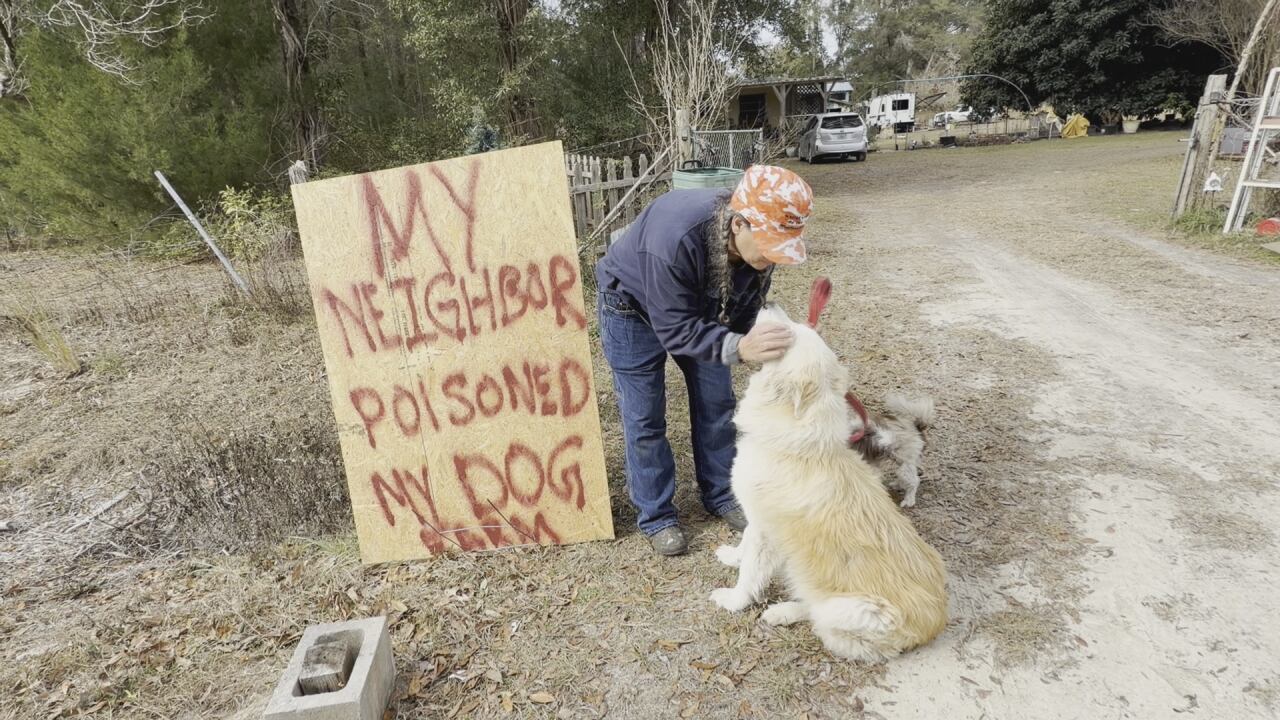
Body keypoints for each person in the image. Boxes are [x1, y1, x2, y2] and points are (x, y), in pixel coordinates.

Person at [595, 165, 814, 555]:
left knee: (717, 403)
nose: (772, 256)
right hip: (630, 305)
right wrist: (738, 347)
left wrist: (750, 343)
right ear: (739, 225)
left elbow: (746, 304)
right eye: (768, 244)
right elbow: (677, 329)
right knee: (644, 416)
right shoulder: (675, 237)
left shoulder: (758, 253)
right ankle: (657, 515)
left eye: (780, 247)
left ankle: (722, 493)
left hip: (699, 306)